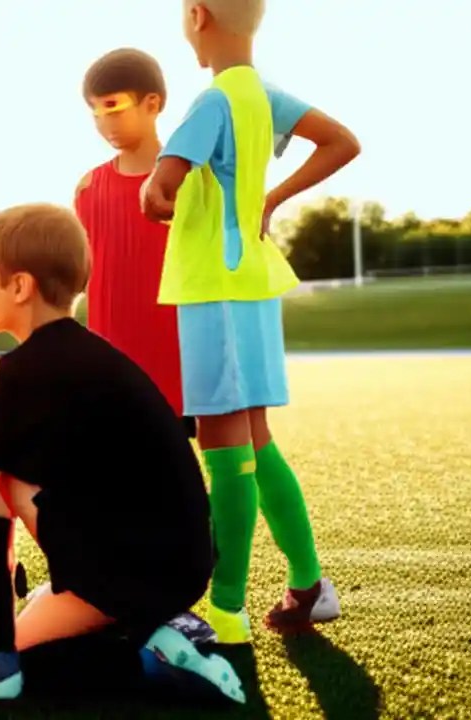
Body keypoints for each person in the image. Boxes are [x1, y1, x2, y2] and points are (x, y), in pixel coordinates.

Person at [0, 204, 242, 706]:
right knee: (4, 477)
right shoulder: (83, 353)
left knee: (25, 660)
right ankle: (152, 630)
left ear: (20, 287)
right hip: (174, 564)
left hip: (134, 572)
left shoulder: (25, 370)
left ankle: (140, 662)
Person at [140, 0, 362, 644]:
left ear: (198, 15)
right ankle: (309, 584)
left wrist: (155, 194)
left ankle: (226, 613)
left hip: (217, 288)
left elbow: (159, 190)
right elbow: (343, 141)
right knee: (255, 441)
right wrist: (271, 196)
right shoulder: (264, 94)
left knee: (224, 449)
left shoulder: (211, 102)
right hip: (254, 282)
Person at [74, 48, 193, 434]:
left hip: (181, 358)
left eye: (114, 106)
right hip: (111, 361)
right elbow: (82, 272)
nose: (103, 121)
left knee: (187, 475)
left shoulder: (189, 182)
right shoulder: (89, 187)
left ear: (152, 103)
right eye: (95, 111)